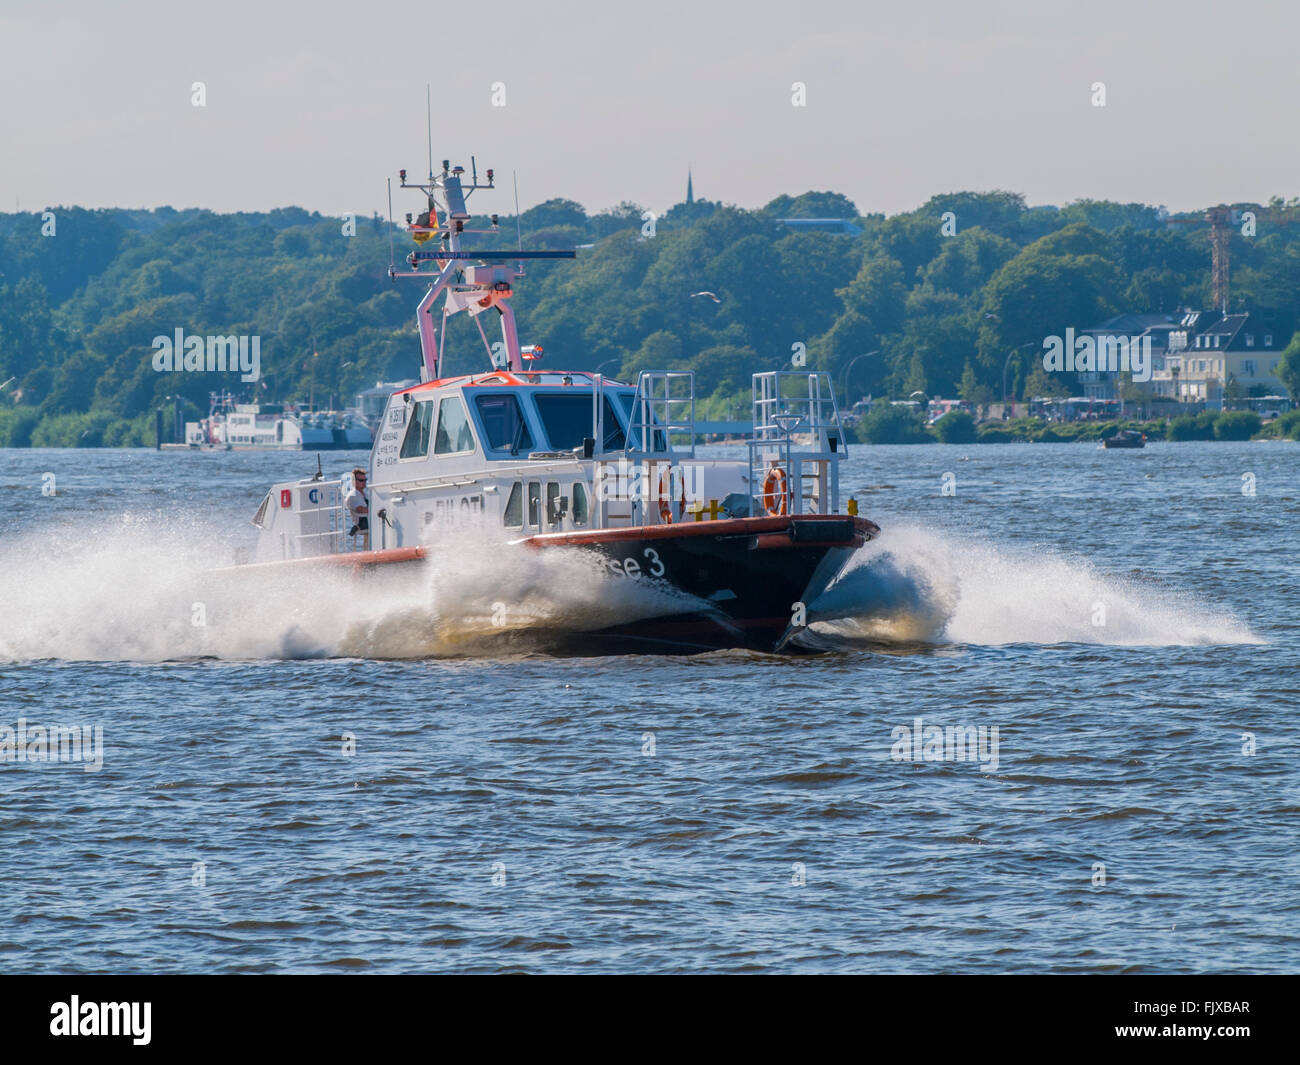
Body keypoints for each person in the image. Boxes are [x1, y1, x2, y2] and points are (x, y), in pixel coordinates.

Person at [344, 467, 369, 548]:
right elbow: (361, 510)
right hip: (362, 523)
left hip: (368, 520)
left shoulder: (363, 494)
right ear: (354, 481)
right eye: (361, 480)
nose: (364, 482)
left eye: (365, 480)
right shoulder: (353, 495)